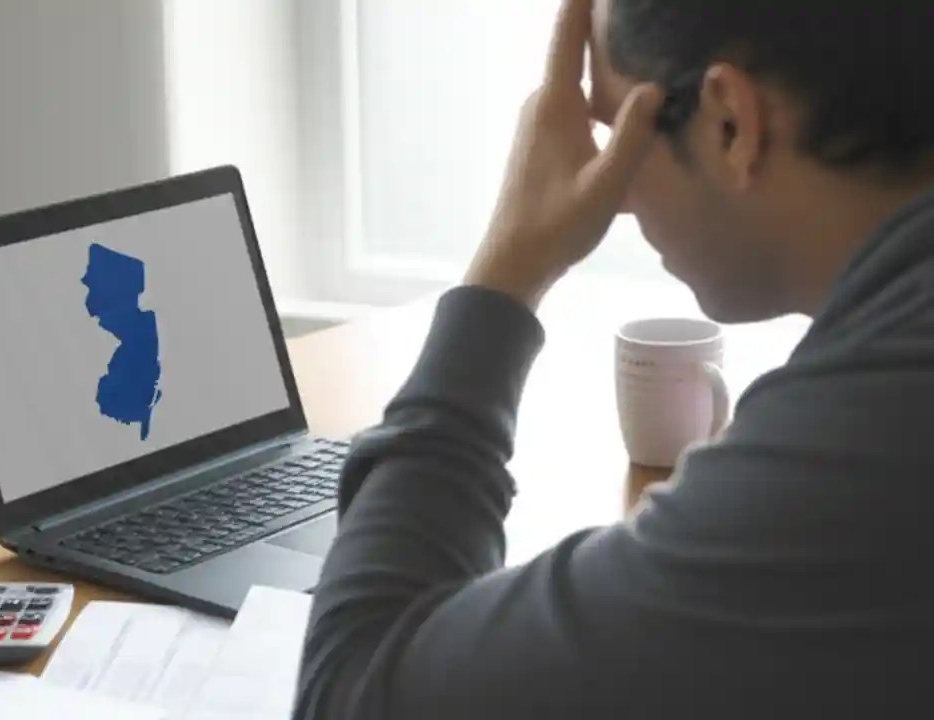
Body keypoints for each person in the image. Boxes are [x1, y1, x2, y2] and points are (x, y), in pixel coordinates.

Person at [294, 0, 934, 716]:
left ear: (730, 123)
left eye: (613, 130)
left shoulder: (851, 458)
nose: (610, 193)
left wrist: (506, 271)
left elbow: (354, 692)